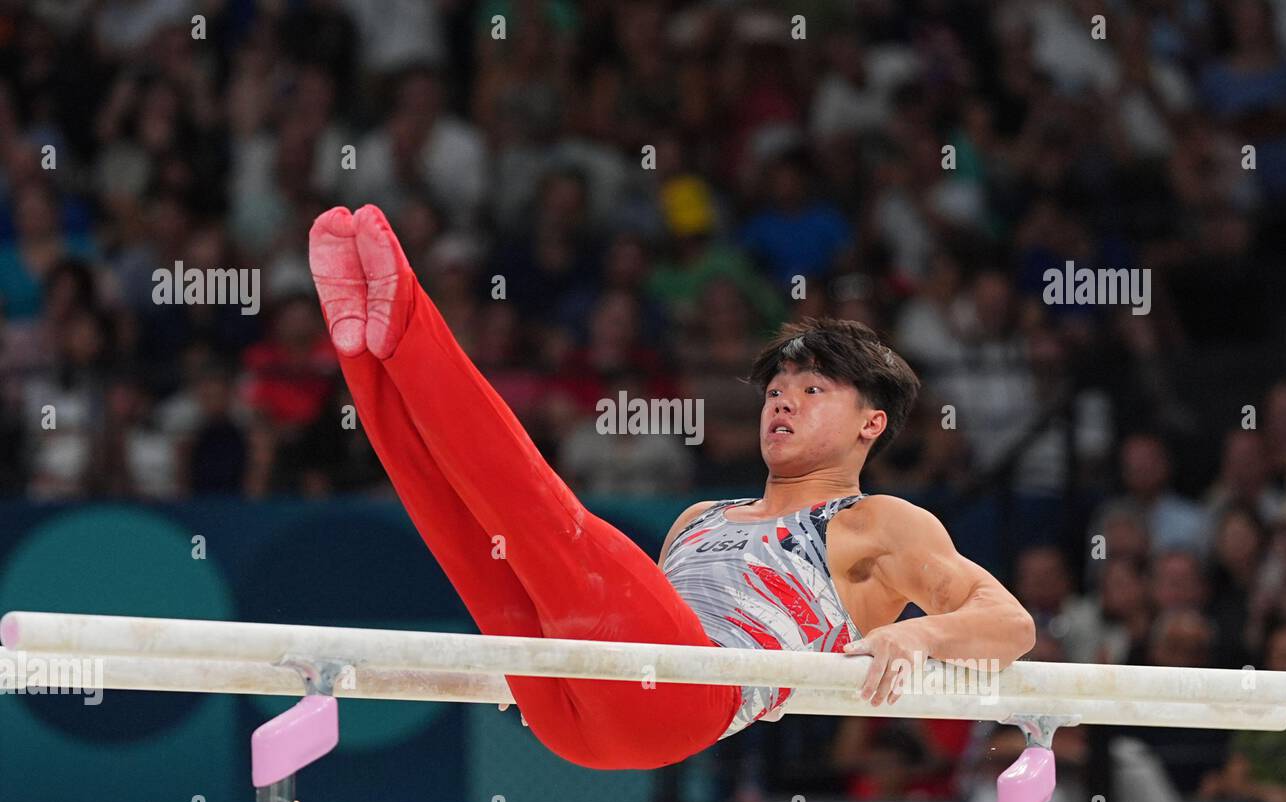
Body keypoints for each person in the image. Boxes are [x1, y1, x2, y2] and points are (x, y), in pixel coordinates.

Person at [308, 203, 1035, 770]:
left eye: (812, 389)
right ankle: (363, 349)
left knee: (541, 515)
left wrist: (917, 635)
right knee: (468, 534)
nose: (782, 402)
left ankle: (404, 315)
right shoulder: (699, 517)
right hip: (576, 706)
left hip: (683, 704)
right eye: (776, 389)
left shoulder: (876, 523)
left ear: (871, 424)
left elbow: (1011, 625)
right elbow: (615, 616)